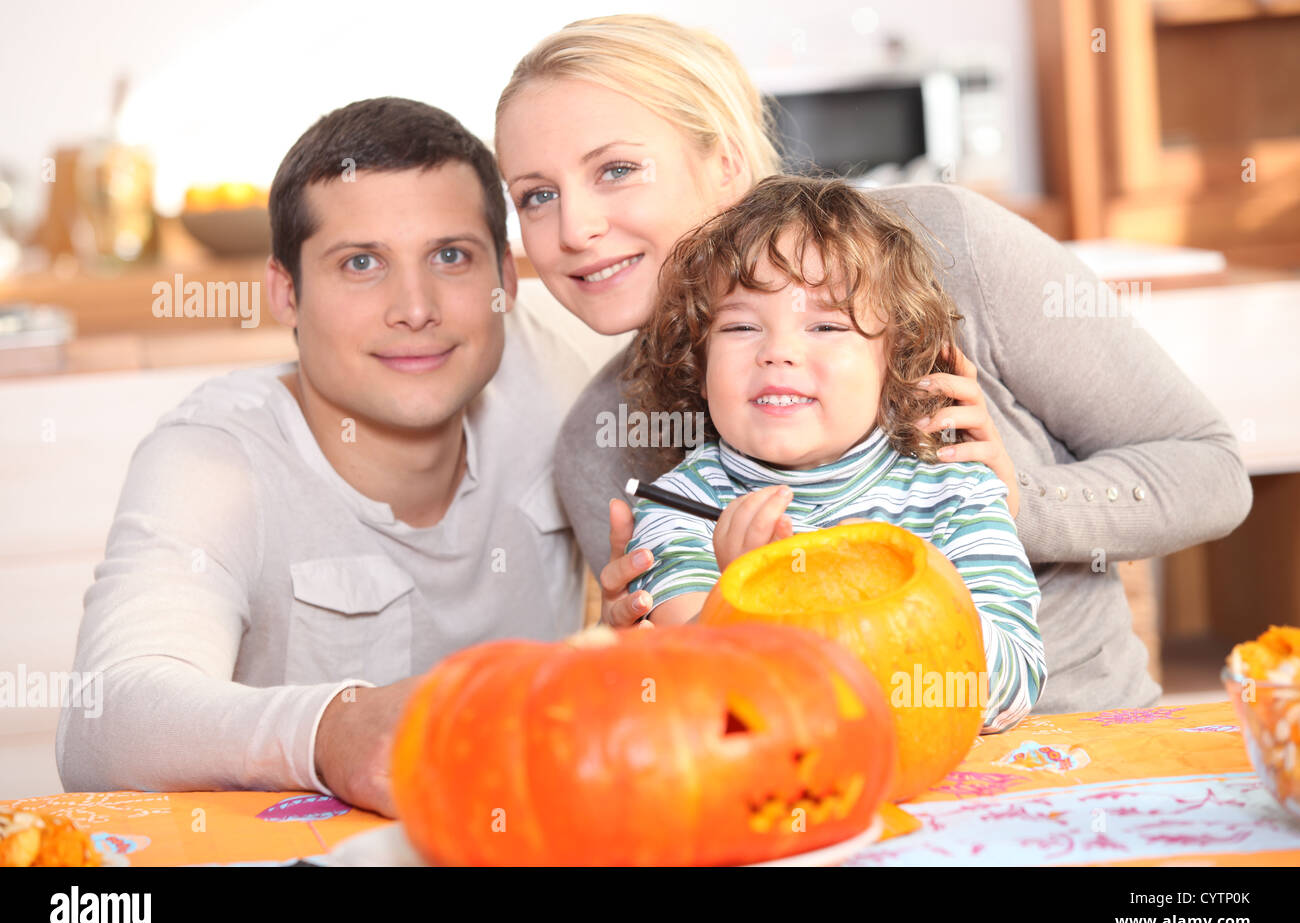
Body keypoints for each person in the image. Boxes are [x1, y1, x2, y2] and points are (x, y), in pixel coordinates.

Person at [493, 14, 1253, 714]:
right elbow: (714, 711)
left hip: (1081, 746)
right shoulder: (602, 445)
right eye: (535, 196)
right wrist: (656, 668)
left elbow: (1209, 472)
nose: (575, 228)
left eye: (617, 170)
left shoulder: (949, 243)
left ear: (725, 162)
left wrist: (1016, 503)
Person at [57, 97, 624, 815]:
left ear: (506, 282)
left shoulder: (558, 368)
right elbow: (102, 724)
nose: (415, 308)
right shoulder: (215, 459)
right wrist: (335, 729)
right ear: (285, 294)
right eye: (361, 263)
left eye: (451, 257)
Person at [622, 174, 1044, 731]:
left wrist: (921, 600)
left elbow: (1014, 685)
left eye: (825, 324)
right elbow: (684, 697)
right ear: (699, 368)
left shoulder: (959, 493)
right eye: (743, 325)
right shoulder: (677, 505)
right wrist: (742, 595)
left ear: (894, 363)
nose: (778, 352)